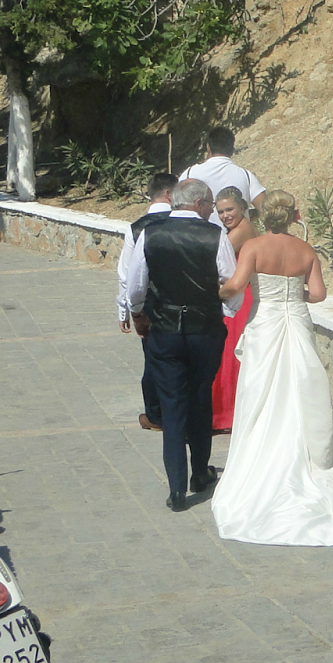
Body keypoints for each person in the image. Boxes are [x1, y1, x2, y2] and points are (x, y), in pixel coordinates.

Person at [211, 190, 333, 546]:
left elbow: (237, 286)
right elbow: (318, 294)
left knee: (261, 393)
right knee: (300, 391)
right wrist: (293, 294)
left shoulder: (253, 247)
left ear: (262, 216)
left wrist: (217, 290)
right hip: (296, 323)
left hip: (265, 325)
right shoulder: (306, 251)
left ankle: (262, 461)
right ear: (293, 216)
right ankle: (305, 464)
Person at [115, 178, 236, 511]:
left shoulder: (151, 233)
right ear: (197, 203)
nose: (212, 210)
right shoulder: (214, 235)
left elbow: (136, 283)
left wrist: (137, 313)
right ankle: (200, 472)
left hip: (164, 329)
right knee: (200, 398)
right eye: (209, 203)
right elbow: (230, 281)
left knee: (172, 407)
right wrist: (225, 311)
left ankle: (177, 489)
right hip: (204, 329)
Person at [117, 172, 177, 432]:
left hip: (151, 304)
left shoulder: (136, 228)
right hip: (185, 300)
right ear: (169, 194)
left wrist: (126, 310)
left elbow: (127, 275)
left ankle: (156, 414)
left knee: (153, 358)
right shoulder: (188, 223)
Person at [210, 186, 256, 432]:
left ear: (243, 208)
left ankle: (226, 414)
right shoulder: (243, 228)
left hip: (239, 297)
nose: (225, 215)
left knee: (229, 356)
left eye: (230, 209)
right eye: (220, 211)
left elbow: (214, 259)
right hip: (242, 294)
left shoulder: (240, 232)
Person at [181, 126, 266, 210]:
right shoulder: (246, 176)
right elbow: (266, 209)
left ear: (208, 147)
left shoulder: (189, 174)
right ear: (232, 150)